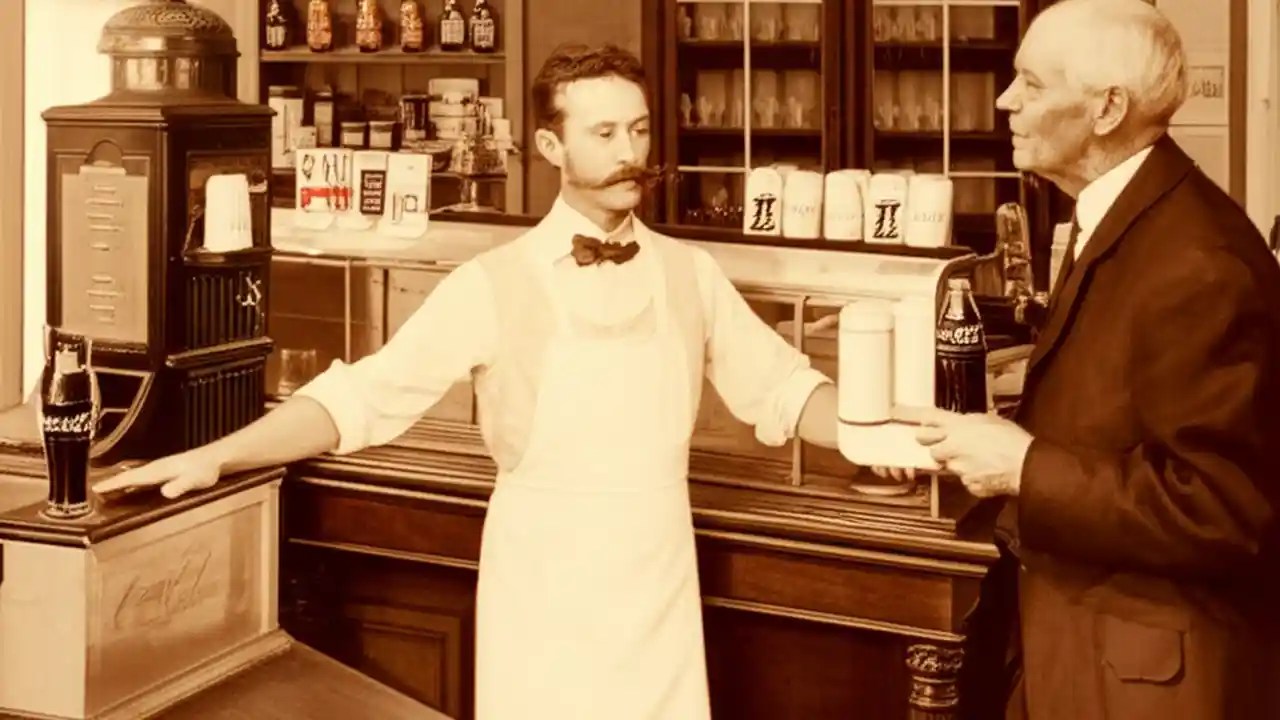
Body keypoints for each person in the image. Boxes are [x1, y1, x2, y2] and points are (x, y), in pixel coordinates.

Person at [93, 43, 848, 719]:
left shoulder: (693, 273)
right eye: (605, 133)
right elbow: (362, 398)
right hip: (542, 571)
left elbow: (787, 391)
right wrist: (217, 456)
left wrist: (896, 434)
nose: (631, 151)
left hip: (656, 567)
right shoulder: (494, 281)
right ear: (551, 144)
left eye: (640, 129)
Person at [899, 1, 1280, 718]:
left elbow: (1223, 507)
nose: (1006, 101)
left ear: (1107, 108)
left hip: (1147, 682)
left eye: (1031, 84)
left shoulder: (1201, 260)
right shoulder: (1129, 216)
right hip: (1078, 652)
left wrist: (1020, 465)